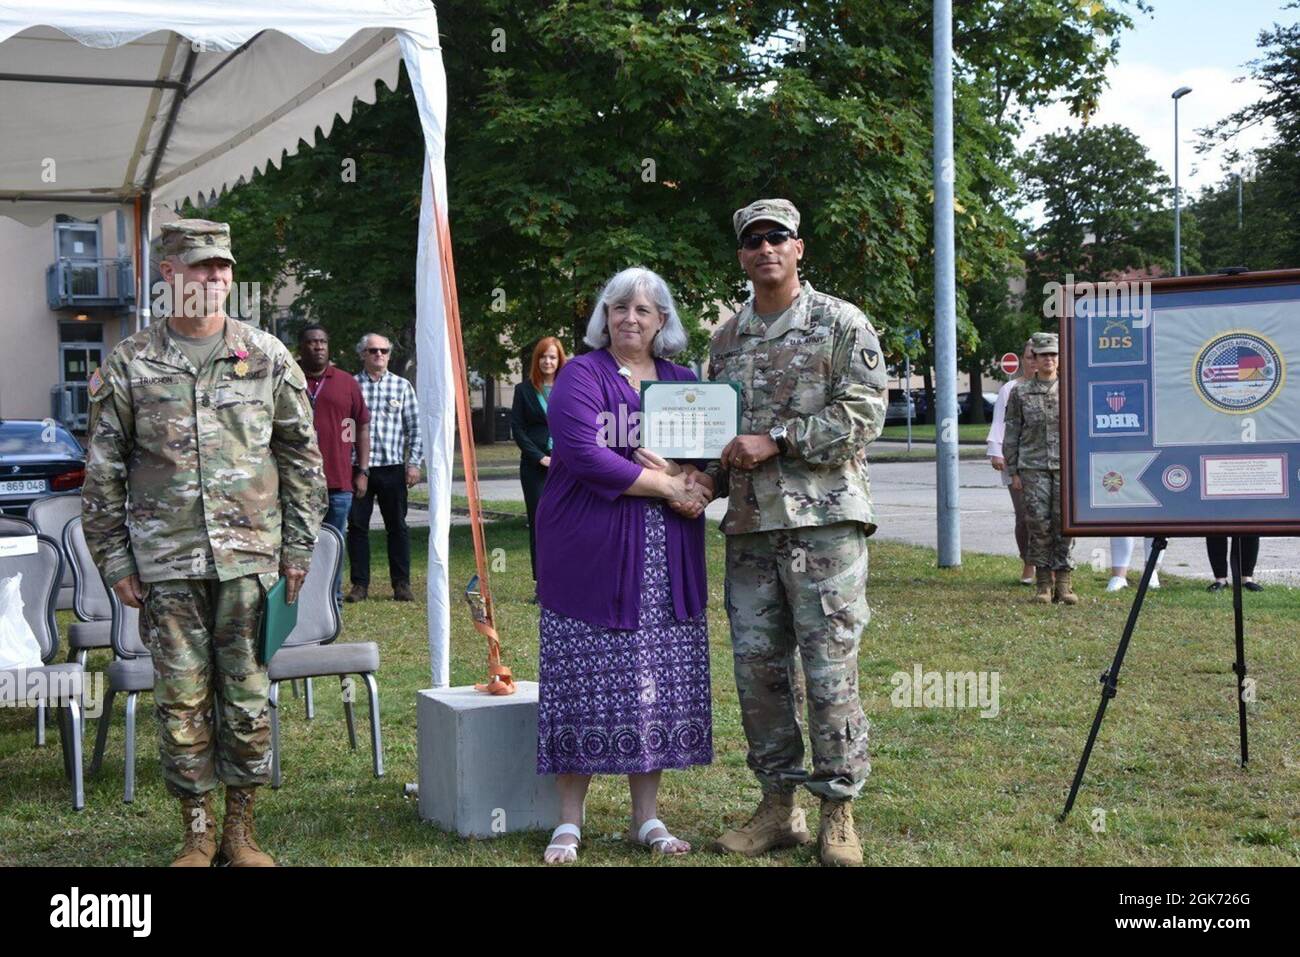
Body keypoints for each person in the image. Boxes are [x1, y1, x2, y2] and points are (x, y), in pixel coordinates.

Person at [81, 219, 326, 867]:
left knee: (246, 697)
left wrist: (298, 550)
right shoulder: (132, 363)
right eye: (199, 266)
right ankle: (195, 829)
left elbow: (301, 459)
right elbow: (102, 471)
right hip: (166, 564)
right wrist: (114, 558)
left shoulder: (265, 355)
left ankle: (240, 831)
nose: (214, 277)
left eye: (222, 266)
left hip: (250, 563)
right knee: (181, 699)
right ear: (169, 275)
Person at [700, 198, 888, 867]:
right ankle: (778, 805)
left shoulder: (840, 322)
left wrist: (777, 439)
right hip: (751, 529)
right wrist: (695, 481)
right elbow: (716, 439)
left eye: (777, 236)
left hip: (825, 525)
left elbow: (864, 414)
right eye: (752, 240)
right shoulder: (725, 340)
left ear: (798, 247)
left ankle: (839, 808)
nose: (765, 248)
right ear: (742, 255)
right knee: (758, 671)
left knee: (830, 667)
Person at [533, 267, 712, 865]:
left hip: (667, 560)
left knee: (652, 684)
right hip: (591, 553)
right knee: (584, 680)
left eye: (642, 309)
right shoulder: (581, 375)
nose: (628, 319)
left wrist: (697, 480)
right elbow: (584, 456)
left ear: (663, 320)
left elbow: (708, 461)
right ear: (603, 317)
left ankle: (647, 818)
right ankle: (568, 822)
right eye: (618, 308)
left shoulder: (686, 381)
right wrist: (665, 483)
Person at [298, 323, 371, 607]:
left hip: (338, 482)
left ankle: (332, 599)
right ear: (301, 348)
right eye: (312, 342)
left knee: (334, 543)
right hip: (297, 482)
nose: (318, 346)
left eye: (323, 342)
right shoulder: (289, 379)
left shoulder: (345, 382)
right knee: (300, 543)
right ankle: (300, 600)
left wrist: (362, 469)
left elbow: (359, 426)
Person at [347, 333, 423, 603]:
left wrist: (414, 463)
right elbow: (346, 429)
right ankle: (359, 585)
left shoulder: (402, 387)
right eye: (373, 351)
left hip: (393, 468)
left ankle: (401, 584)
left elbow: (415, 427)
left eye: (384, 350)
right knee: (357, 527)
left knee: (397, 527)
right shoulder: (352, 386)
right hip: (359, 469)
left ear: (390, 355)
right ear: (363, 354)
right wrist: (352, 466)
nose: (379, 355)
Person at [1003, 332, 1076, 605]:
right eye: (1043, 355)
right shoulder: (1019, 392)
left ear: (1060, 358)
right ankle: (1043, 585)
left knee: (1065, 526)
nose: (1049, 360)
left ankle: (1064, 584)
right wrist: (1014, 470)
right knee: (1038, 525)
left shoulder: (1070, 388)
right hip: (1032, 467)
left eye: (1053, 355)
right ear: (1034, 359)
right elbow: (1012, 432)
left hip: (1065, 468)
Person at [511, 337, 567, 590]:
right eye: (544, 356)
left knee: (567, 522)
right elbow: (518, 430)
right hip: (535, 468)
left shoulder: (569, 388)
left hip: (567, 467)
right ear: (537, 360)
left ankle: (564, 581)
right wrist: (539, 457)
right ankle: (541, 583)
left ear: (560, 360)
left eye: (553, 357)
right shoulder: (523, 390)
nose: (548, 361)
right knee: (539, 523)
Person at [987, 338, 1037, 585]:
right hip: (1017, 460)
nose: (1035, 362)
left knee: (1050, 516)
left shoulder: (1062, 385)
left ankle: (1052, 566)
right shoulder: (1010, 389)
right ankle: (1029, 563)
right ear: (1022, 360)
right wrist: (996, 450)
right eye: (1030, 357)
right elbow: (1000, 422)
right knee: (1025, 515)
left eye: (1040, 356)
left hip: (1049, 461)